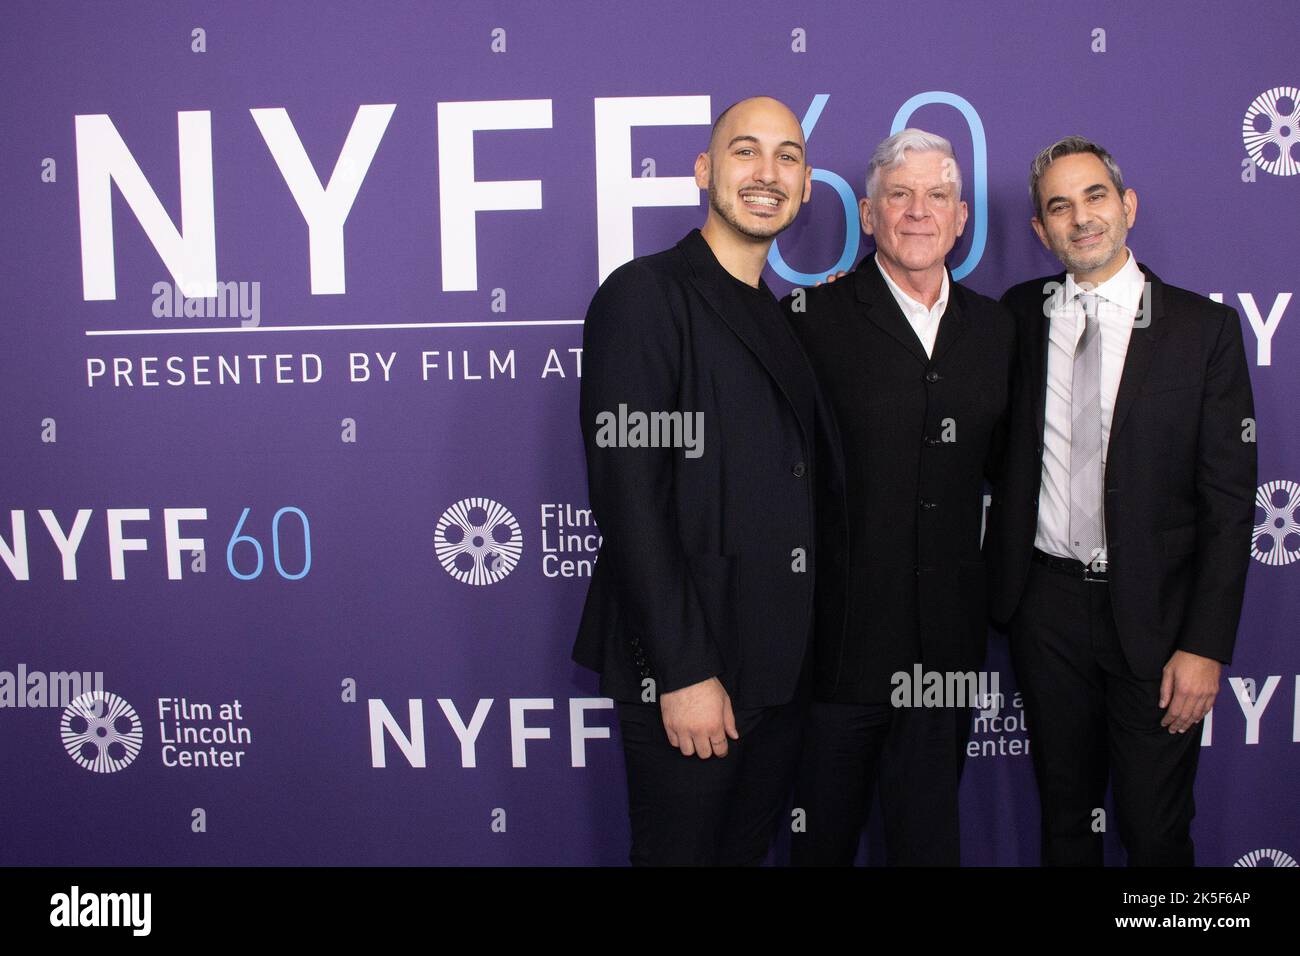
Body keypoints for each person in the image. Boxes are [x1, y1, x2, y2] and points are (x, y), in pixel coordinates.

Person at [572, 96, 842, 865]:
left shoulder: (780, 315)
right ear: (704, 170)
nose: (767, 173)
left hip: (775, 674)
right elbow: (629, 499)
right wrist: (682, 673)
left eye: (787, 156)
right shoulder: (645, 296)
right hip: (692, 677)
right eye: (745, 151)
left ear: (807, 183)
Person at [987, 136, 1257, 865]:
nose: (1081, 219)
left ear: (1127, 206)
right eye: (1060, 207)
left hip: (1159, 620)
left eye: (1095, 196)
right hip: (1046, 610)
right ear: (1041, 231)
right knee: (1065, 824)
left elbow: (1230, 504)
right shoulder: (1016, 316)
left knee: (1156, 831)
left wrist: (1204, 645)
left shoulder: (1204, 331)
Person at [781, 129, 1016, 865]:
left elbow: (1013, 475)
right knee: (820, 846)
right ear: (870, 214)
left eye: (937, 195)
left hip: (944, 654)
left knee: (928, 847)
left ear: (962, 216)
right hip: (835, 653)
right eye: (900, 195)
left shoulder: (998, 329)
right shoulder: (808, 321)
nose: (920, 211)